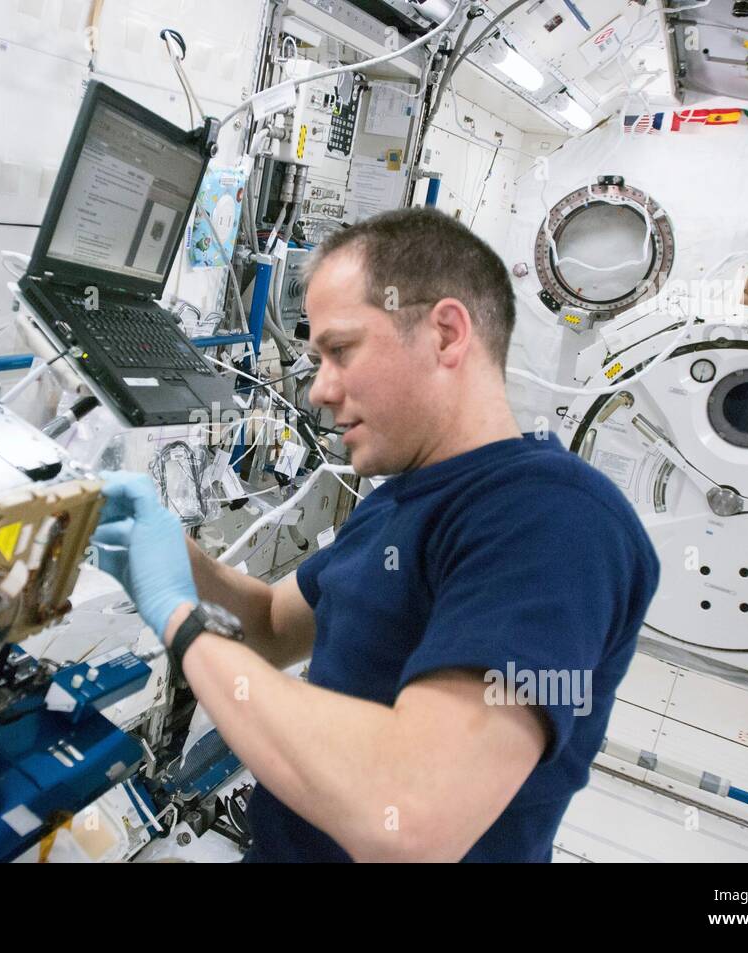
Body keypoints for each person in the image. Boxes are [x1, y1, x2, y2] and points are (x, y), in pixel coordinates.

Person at [94, 207, 660, 862]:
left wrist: (180, 622)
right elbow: (274, 627)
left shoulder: (554, 519)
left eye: (340, 351)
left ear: (446, 334)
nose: (317, 391)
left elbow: (412, 816)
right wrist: (169, 554)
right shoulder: (401, 498)